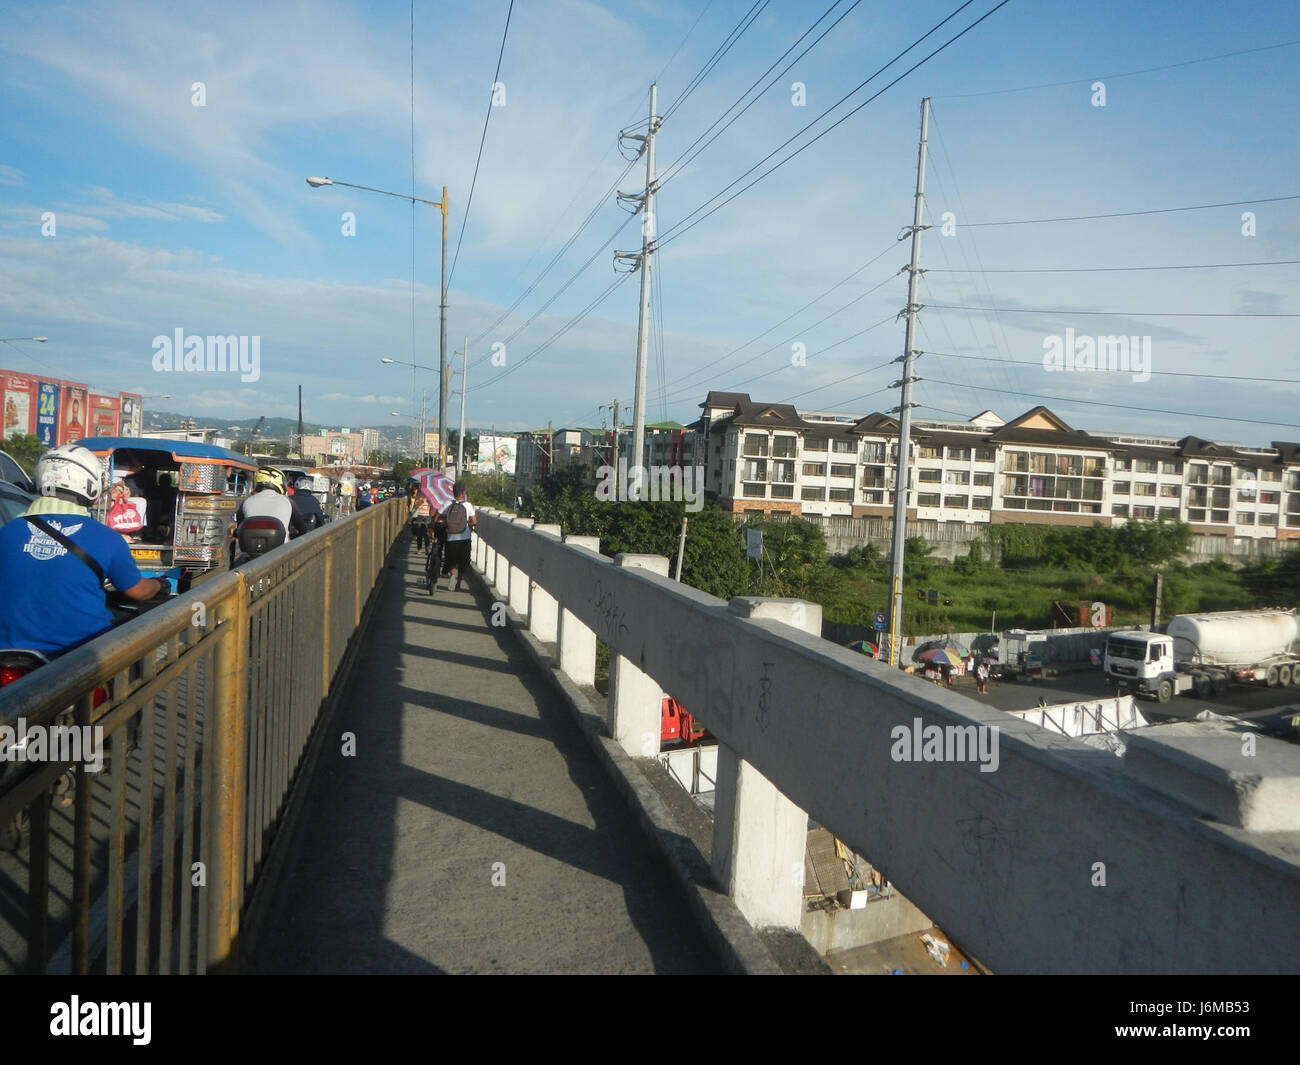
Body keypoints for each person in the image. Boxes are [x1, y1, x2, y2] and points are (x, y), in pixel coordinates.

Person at [0, 445, 164, 657]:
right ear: (90, 485)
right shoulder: (107, 538)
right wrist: (158, 584)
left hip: (8, 651)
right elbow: (139, 591)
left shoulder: (8, 531)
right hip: (79, 655)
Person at [236, 467, 306, 540]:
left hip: (250, 546)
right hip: (282, 546)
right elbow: (302, 529)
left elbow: (239, 528)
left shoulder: (246, 502)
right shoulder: (288, 502)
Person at [434, 482, 476, 591]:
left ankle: (452, 575)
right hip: (464, 538)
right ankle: (458, 583)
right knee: (463, 561)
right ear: (463, 493)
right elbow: (474, 521)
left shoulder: (447, 503)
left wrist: (432, 526)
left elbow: (437, 516)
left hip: (450, 537)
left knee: (451, 559)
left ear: (453, 492)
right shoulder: (468, 505)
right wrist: (466, 523)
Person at [408, 488, 432, 554]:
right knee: (419, 534)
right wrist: (421, 502)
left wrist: (429, 502)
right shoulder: (418, 495)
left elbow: (433, 506)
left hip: (427, 516)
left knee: (426, 534)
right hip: (420, 516)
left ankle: (427, 549)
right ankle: (419, 549)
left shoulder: (430, 496)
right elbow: (415, 506)